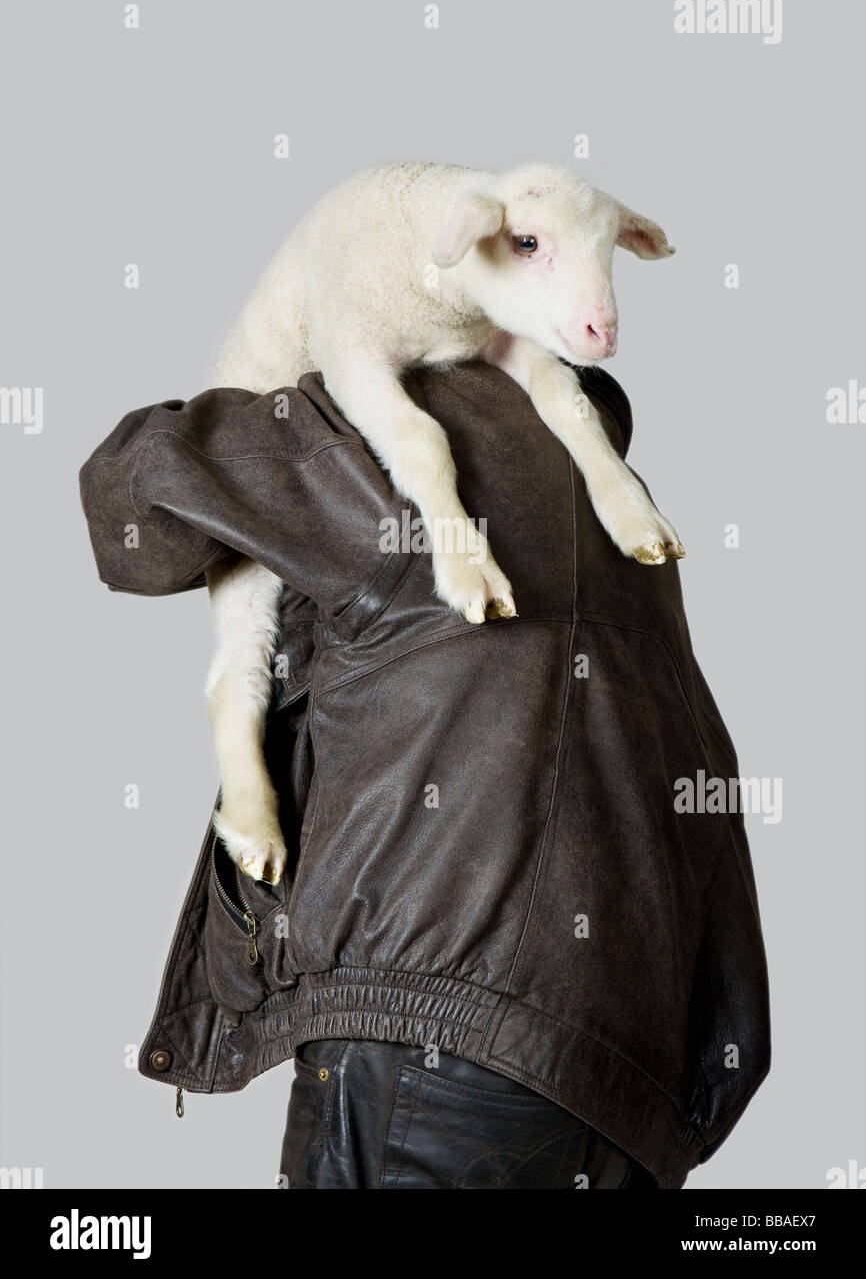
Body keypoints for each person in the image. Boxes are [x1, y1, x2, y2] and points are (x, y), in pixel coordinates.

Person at [79, 361, 771, 1189]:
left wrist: (276, 381)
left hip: (427, 1053)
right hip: (619, 1083)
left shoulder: (377, 444)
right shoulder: (614, 497)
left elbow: (127, 508)